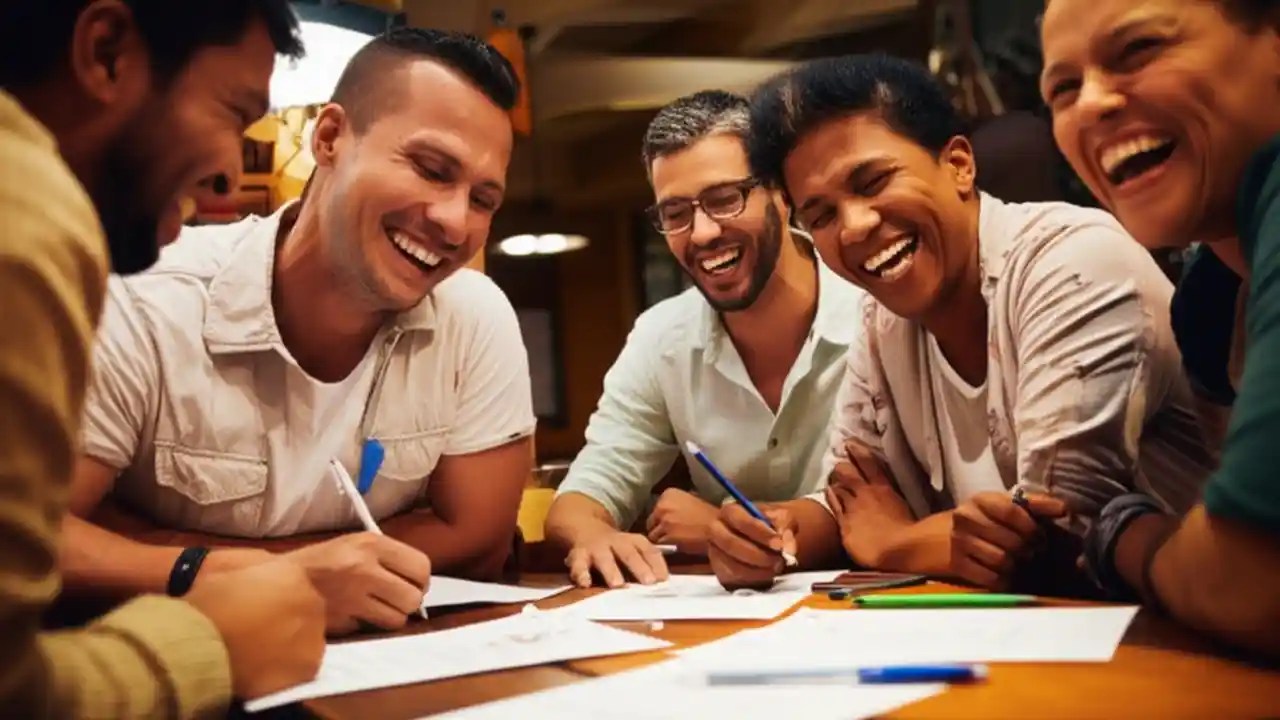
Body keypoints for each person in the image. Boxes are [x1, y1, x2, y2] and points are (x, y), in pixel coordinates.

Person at [60, 28, 536, 636]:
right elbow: (36, 537)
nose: (453, 220)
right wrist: (291, 578)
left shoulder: (473, 316)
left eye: (483, 199)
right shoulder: (147, 297)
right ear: (331, 137)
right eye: (430, 169)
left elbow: (477, 541)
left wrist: (150, 549)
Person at [707, 54, 1215, 594]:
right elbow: (852, 500)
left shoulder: (1074, 262)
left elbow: (1059, 532)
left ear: (958, 166)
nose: (853, 228)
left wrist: (894, 543)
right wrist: (773, 534)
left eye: (873, 181)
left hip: (1189, 641)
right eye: (823, 216)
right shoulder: (882, 320)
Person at [0, 1, 327, 716]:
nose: (227, 170)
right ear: (107, 52)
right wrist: (205, 642)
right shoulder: (25, 218)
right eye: (231, 113)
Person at [544, 91, 865, 588]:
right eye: (675, 213)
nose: (701, 233)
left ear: (782, 190)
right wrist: (592, 532)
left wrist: (721, 526)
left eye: (724, 199)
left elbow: (888, 500)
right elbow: (585, 492)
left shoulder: (876, 312)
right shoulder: (661, 338)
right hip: (728, 625)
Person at [1041, 0, 1280, 657]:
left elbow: (1250, 581)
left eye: (1139, 49)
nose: (1090, 103)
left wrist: (1126, 535)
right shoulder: (1208, 301)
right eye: (1062, 88)